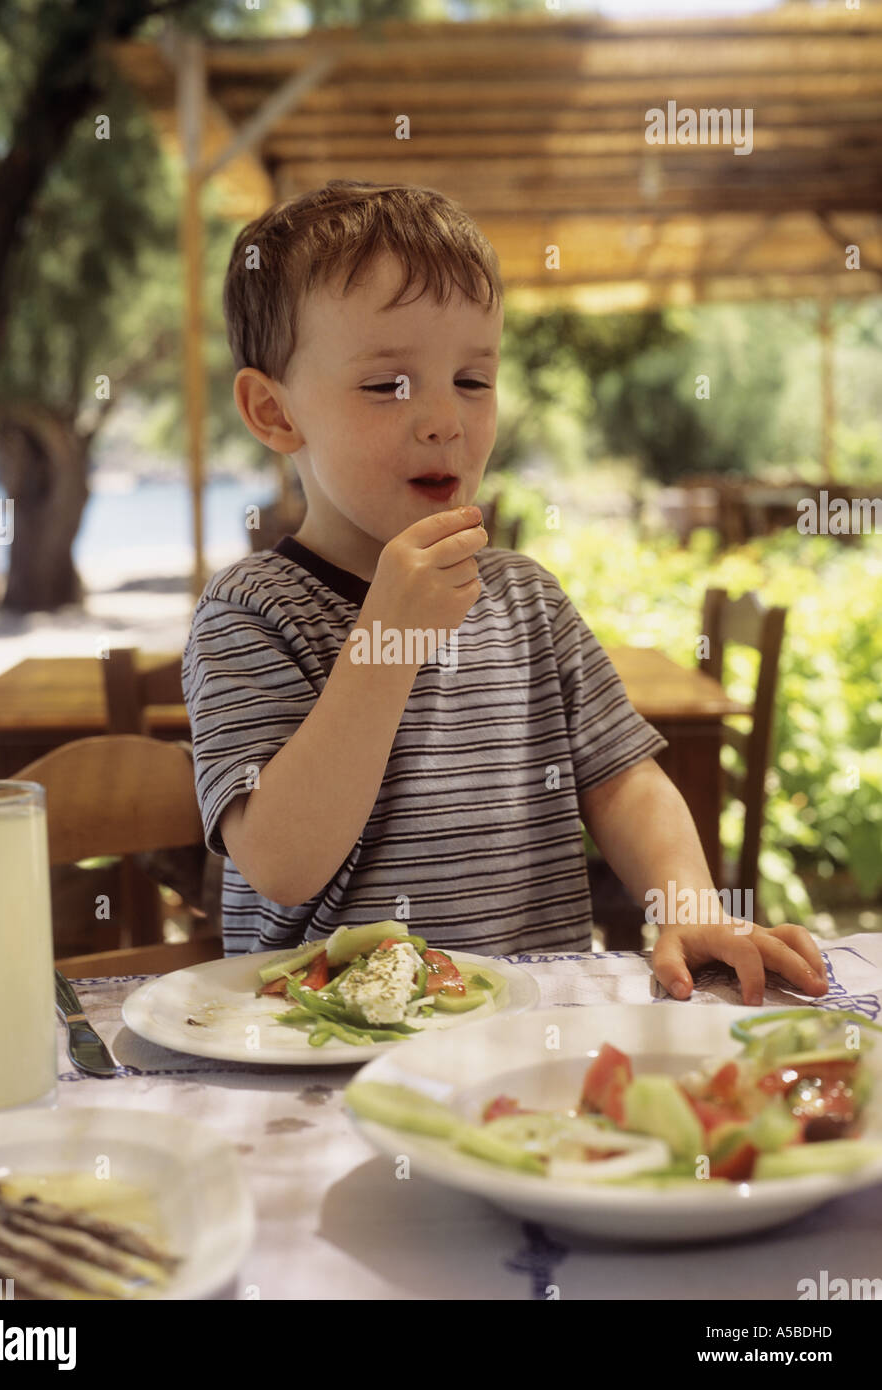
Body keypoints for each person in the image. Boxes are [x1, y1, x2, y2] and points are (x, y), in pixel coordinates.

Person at [182, 179, 827, 1007]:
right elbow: (281, 862)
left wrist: (687, 903)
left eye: (472, 380)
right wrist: (392, 639)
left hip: (527, 1038)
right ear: (273, 412)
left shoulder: (524, 600)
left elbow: (623, 782)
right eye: (388, 386)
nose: (445, 418)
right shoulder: (251, 613)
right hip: (325, 1046)